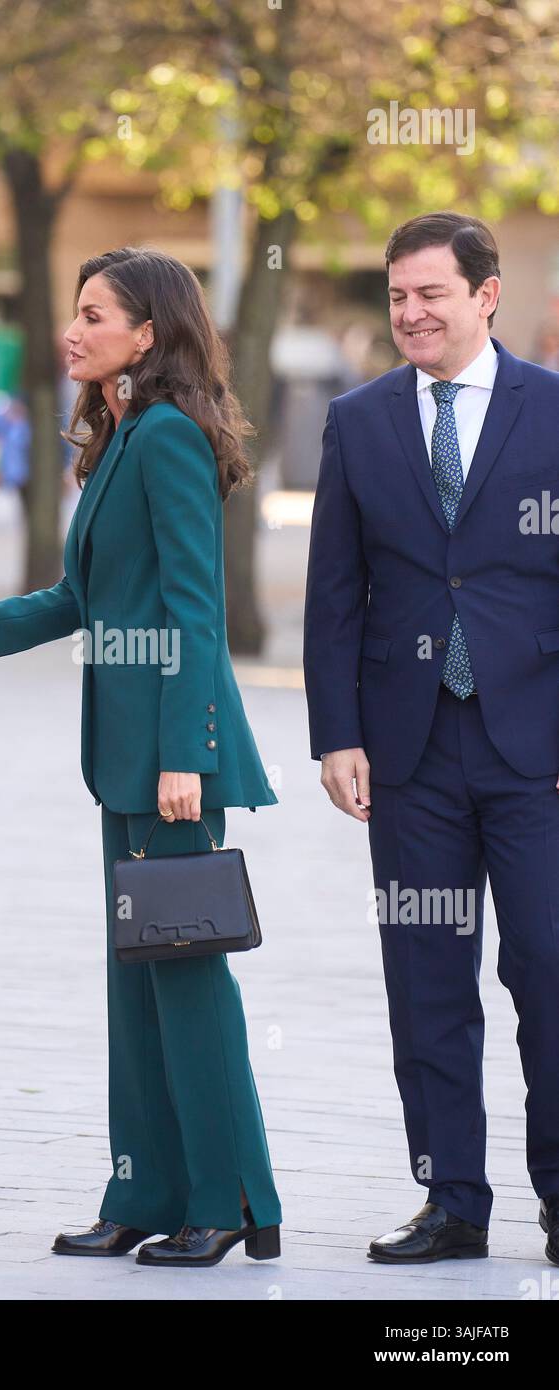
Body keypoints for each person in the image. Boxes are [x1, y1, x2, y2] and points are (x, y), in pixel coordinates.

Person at [0, 247, 284, 1268]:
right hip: (123, 759)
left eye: (93, 314)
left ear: (145, 334)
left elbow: (196, 608)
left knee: (187, 977)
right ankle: (143, 1189)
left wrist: (183, 753)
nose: (71, 330)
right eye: (73, 311)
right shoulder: (114, 439)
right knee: (138, 980)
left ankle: (231, 1197)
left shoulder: (164, 438)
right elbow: (78, 603)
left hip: (170, 758)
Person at [304, 211, 559, 1267]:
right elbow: (332, 591)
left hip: (533, 746)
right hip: (407, 751)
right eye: (397, 295)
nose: (409, 312)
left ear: (483, 294)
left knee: (545, 968)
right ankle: (449, 1199)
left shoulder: (550, 411)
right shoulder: (356, 421)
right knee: (425, 980)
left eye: (430, 295)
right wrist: (336, 734)